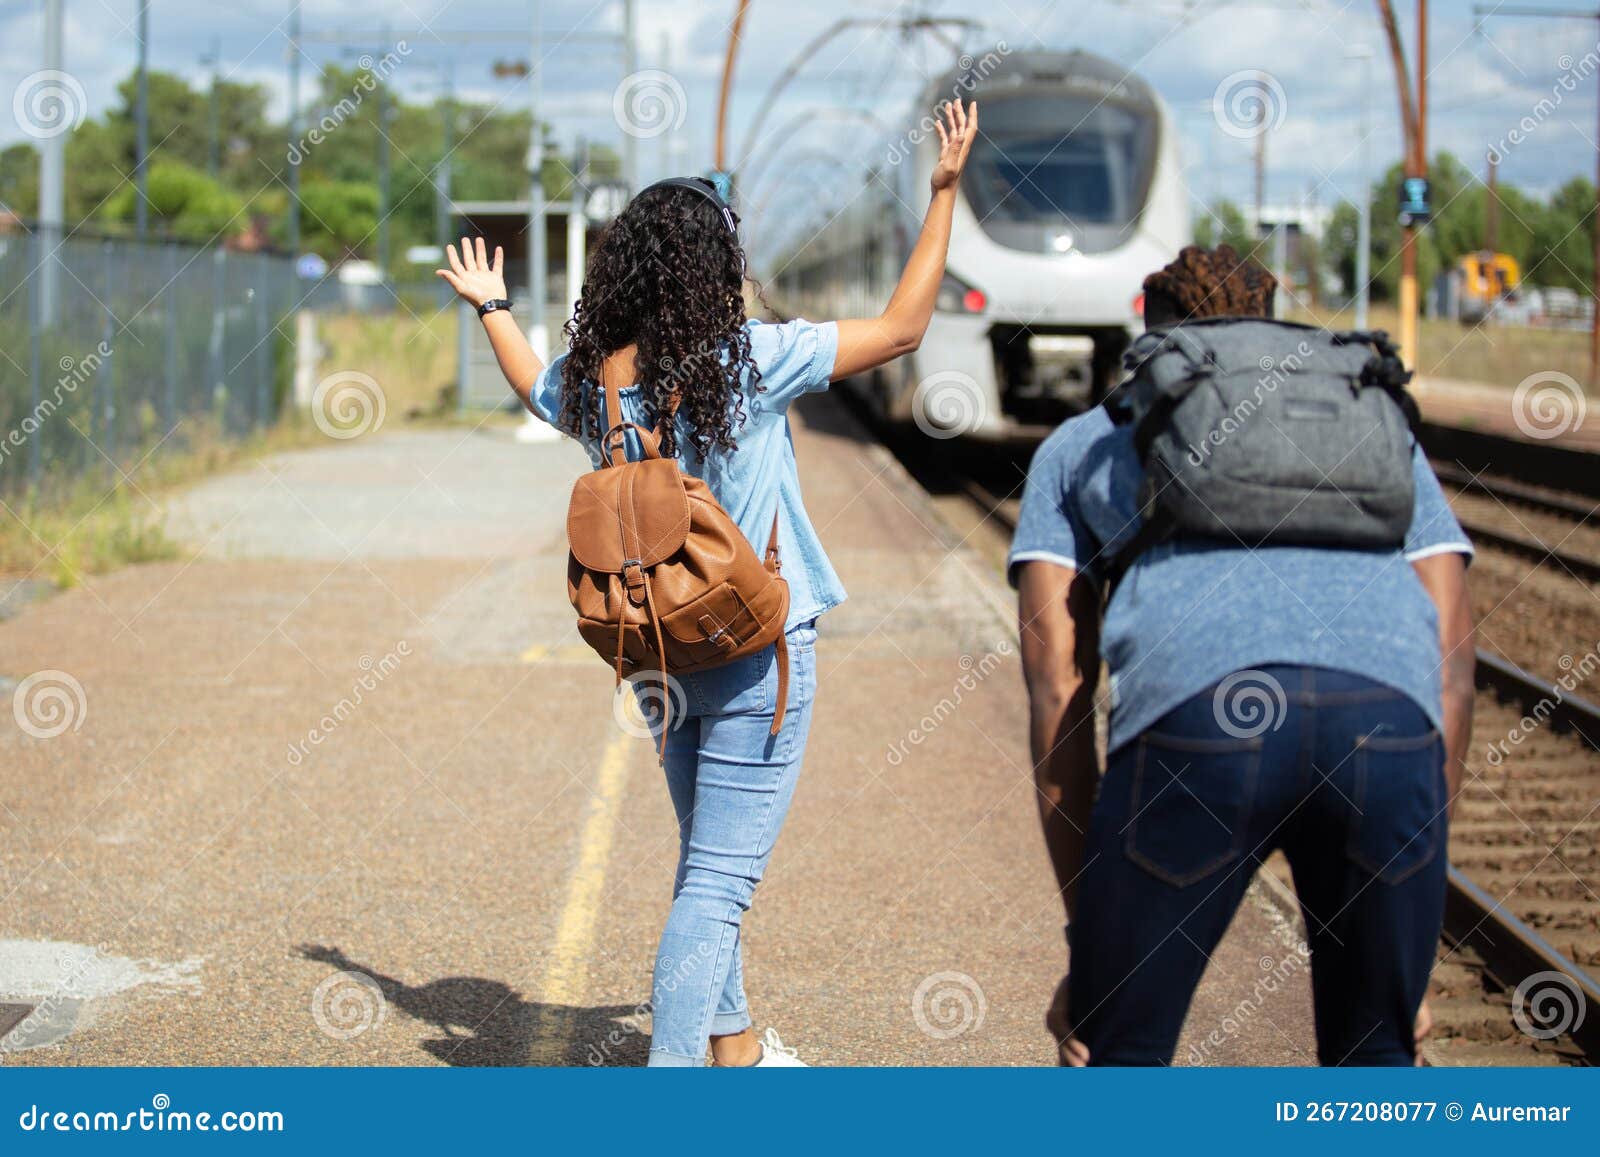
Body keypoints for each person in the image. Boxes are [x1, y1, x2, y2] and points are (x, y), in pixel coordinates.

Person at [438, 100, 979, 1067]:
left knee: (705, 868)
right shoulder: (752, 362)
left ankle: (737, 1057)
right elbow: (903, 329)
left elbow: (530, 383)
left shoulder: (600, 387)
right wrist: (941, 195)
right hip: (755, 649)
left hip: (656, 654)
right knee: (718, 888)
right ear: (712, 267)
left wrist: (492, 307)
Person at [1011, 245, 1476, 1067]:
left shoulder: (1083, 444)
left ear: (1149, 338)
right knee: (1376, 1067)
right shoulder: (1372, 419)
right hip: (1389, 731)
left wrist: (1096, 957)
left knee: (1119, 1057)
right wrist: (1408, 936)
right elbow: (1453, 663)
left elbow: (1058, 691)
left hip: (1198, 734)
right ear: (1273, 330)